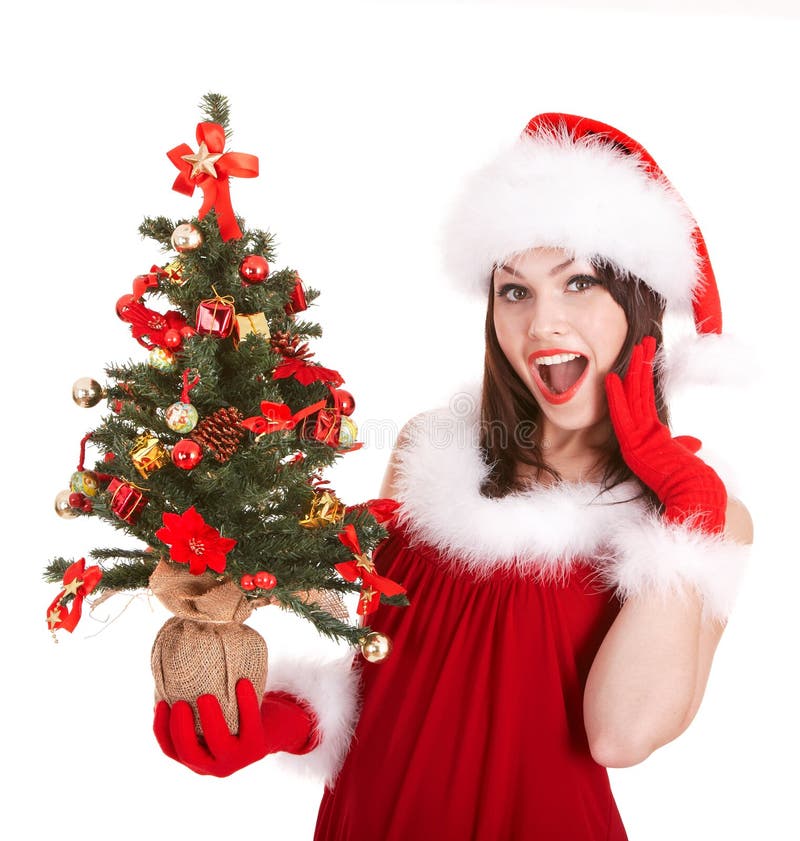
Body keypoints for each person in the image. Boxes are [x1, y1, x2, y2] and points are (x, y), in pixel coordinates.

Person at [154, 113, 753, 840]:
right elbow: (390, 674)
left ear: (641, 307)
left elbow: (621, 734)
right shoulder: (429, 453)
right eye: (516, 291)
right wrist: (284, 721)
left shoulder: (702, 515)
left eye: (580, 283)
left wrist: (685, 499)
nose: (542, 324)